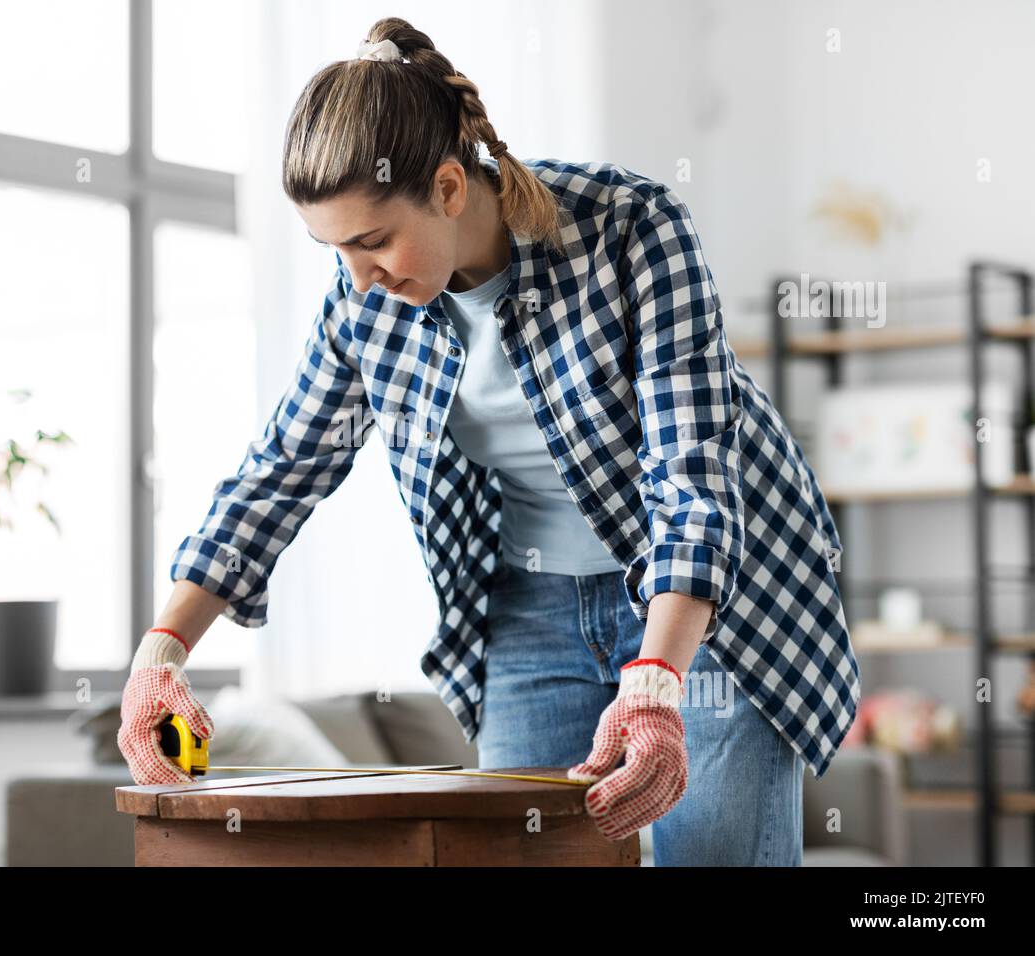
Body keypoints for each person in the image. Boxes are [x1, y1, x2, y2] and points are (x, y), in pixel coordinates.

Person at [117, 17, 861, 867]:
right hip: (532, 610)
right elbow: (281, 472)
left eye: (372, 241)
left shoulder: (629, 229)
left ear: (447, 186)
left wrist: (655, 681)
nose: (358, 277)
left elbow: (690, 475)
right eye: (333, 250)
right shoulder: (364, 302)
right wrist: (160, 654)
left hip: (706, 602)